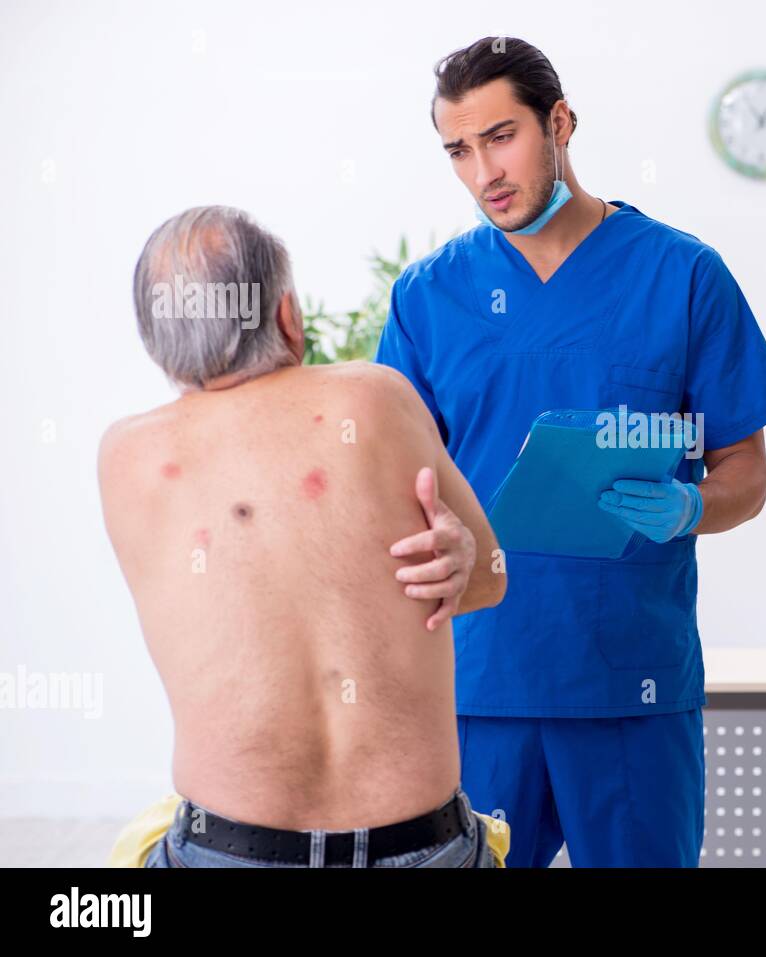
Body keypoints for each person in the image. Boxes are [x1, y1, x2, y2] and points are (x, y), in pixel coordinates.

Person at [375, 37, 766, 867]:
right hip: (481, 683)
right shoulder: (428, 297)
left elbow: (746, 474)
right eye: (458, 150)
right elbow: (393, 488)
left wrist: (690, 507)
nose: (482, 172)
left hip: (631, 682)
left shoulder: (681, 277)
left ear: (560, 122)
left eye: (502, 137)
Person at [99, 205, 506, 867]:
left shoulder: (127, 458)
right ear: (289, 316)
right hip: (423, 848)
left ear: (156, 340)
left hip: (227, 850)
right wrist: (464, 559)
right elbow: (491, 576)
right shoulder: (375, 399)